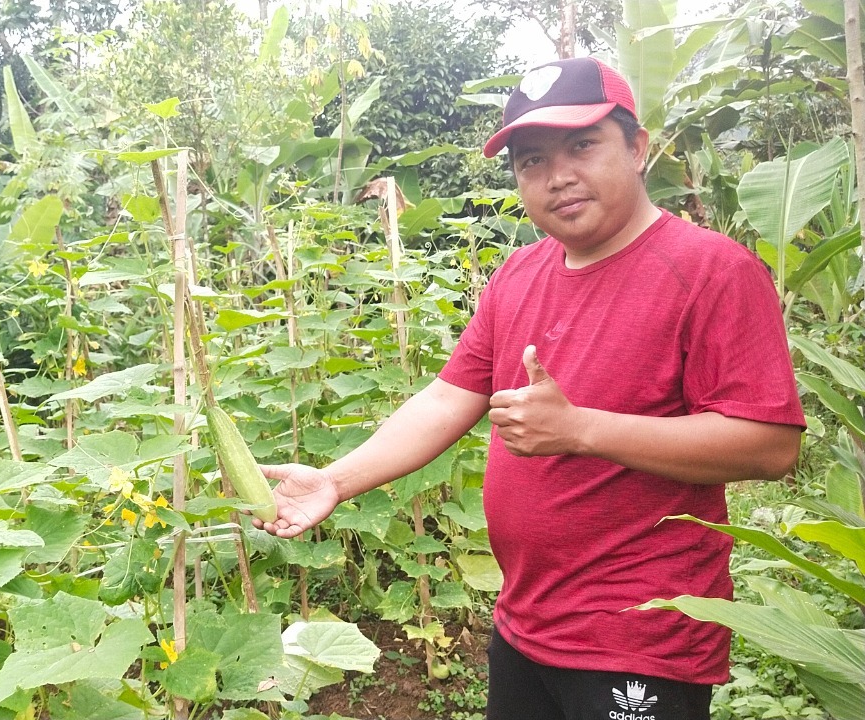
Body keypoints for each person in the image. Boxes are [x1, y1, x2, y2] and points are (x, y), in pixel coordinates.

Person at [253, 57, 805, 720]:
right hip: (525, 622)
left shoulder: (711, 271)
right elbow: (447, 398)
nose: (557, 176)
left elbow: (769, 445)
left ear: (636, 147)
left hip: (639, 637)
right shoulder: (519, 274)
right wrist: (334, 481)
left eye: (582, 146)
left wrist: (582, 429)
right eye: (532, 160)